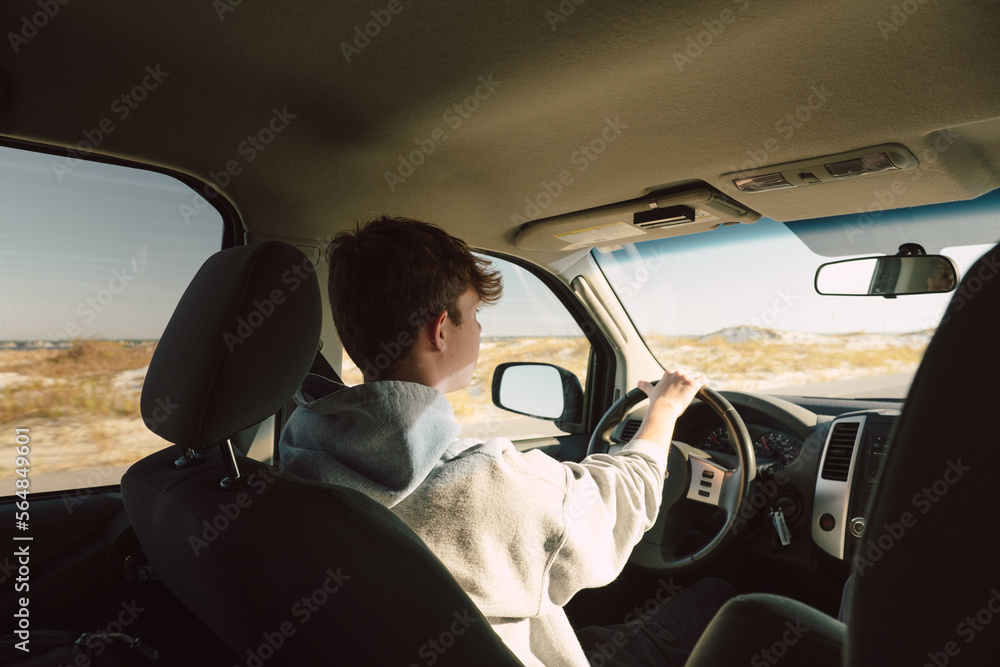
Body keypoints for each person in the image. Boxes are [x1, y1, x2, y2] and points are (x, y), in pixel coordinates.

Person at [279, 215, 735, 666]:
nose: (479, 330)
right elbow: (619, 505)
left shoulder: (302, 449)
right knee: (718, 599)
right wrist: (666, 411)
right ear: (440, 330)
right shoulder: (481, 481)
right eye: (473, 314)